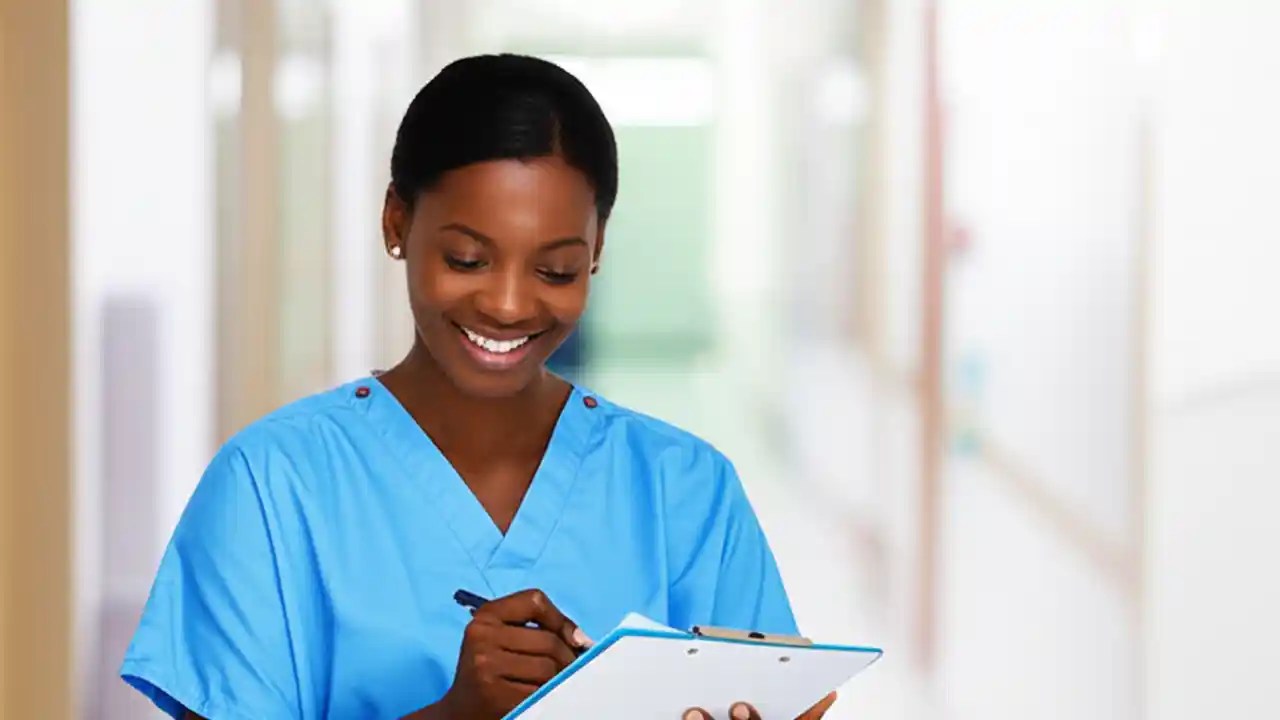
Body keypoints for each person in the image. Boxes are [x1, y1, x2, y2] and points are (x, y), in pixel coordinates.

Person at [120, 53, 835, 720]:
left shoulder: (685, 489)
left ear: (598, 253)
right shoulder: (272, 486)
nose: (508, 304)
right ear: (396, 221)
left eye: (556, 270)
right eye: (467, 259)